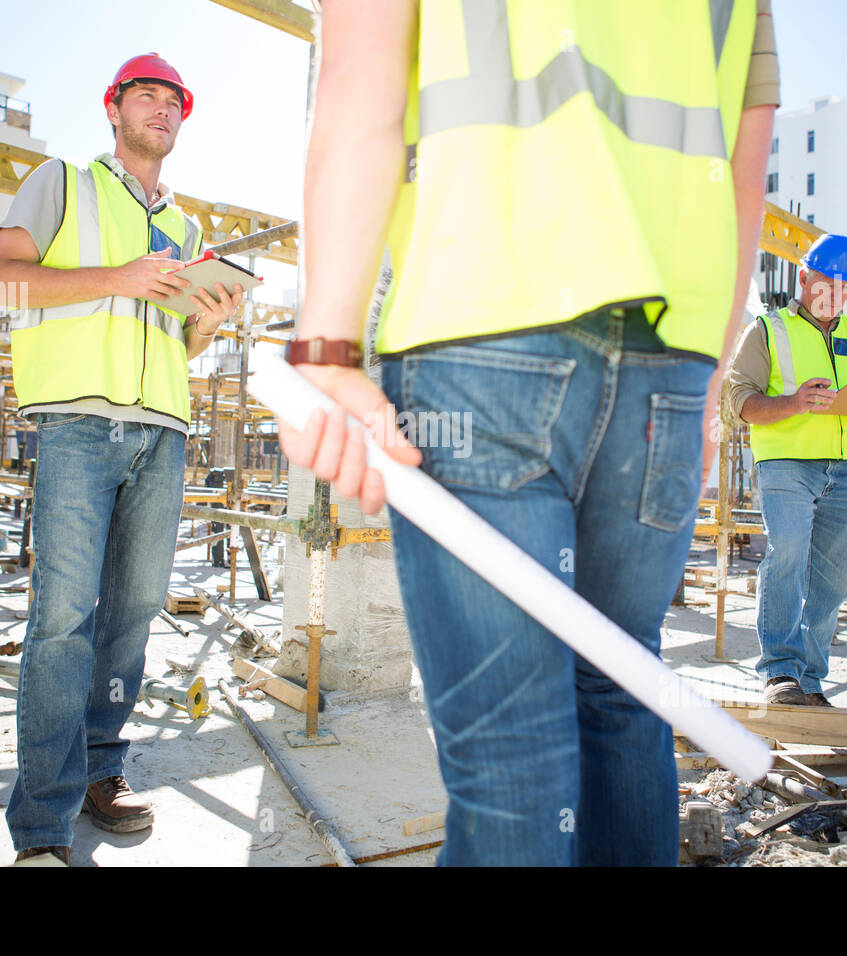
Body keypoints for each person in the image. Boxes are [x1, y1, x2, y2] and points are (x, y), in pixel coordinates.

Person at [277, 0, 778, 865]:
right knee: (623, 698)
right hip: (665, 364)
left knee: (514, 759)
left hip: (483, 323)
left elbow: (364, 80)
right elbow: (746, 155)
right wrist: (703, 381)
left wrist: (326, 344)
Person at [0, 53, 244, 866]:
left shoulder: (191, 227)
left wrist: (210, 322)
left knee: (130, 618)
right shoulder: (64, 183)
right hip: (78, 428)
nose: (163, 109)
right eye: (149, 96)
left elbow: (181, 340)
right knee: (62, 622)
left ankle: (102, 771)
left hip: (162, 433)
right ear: (115, 108)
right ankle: (42, 827)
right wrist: (119, 276)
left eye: (175, 101)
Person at [724, 233, 847, 708]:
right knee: (787, 554)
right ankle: (780, 672)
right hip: (787, 463)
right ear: (804, 279)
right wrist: (792, 402)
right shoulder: (767, 330)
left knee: (830, 573)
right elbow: (739, 401)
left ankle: (810, 678)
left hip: (846, 468)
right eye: (829, 285)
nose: (837, 297)